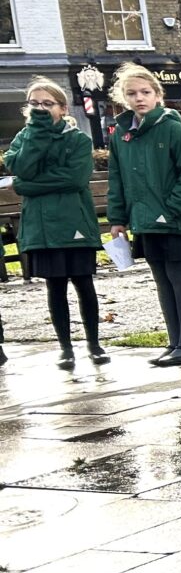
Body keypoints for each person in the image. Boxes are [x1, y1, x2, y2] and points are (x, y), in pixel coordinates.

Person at [5, 78, 103, 369]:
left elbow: (74, 179)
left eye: (48, 104)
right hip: (42, 227)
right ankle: (66, 348)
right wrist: (36, 134)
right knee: (55, 287)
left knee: (84, 284)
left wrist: (26, 186)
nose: (41, 109)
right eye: (35, 104)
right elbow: (22, 168)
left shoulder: (78, 139)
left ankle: (94, 344)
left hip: (74, 222)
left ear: (62, 108)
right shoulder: (24, 139)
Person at [105, 63, 181, 367]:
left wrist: (173, 207)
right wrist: (117, 219)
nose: (139, 98)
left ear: (157, 94)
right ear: (123, 97)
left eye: (145, 92)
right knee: (160, 279)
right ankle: (174, 341)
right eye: (132, 93)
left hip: (170, 218)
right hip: (142, 218)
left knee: (177, 276)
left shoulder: (171, 128)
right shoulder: (121, 134)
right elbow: (117, 178)